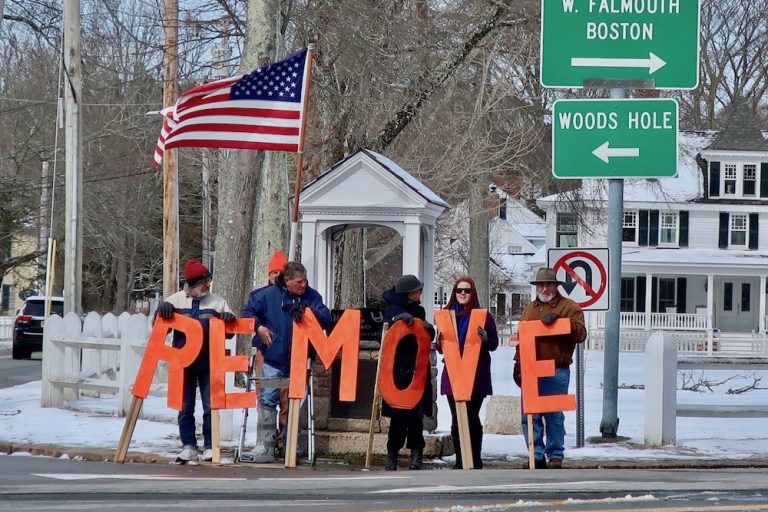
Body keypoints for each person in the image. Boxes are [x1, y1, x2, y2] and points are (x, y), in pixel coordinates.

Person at [241, 261, 331, 463]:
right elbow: (246, 313)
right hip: (273, 359)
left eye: (306, 281)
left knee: (295, 404)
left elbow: (326, 317)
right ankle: (265, 446)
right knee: (267, 400)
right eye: (299, 282)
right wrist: (258, 328)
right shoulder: (267, 295)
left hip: (299, 361)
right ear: (287, 280)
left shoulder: (312, 296)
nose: (303, 285)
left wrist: (307, 310)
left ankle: (290, 446)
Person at [156, 259, 236, 463]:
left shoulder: (217, 302)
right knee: (184, 406)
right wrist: (160, 311)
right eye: (203, 282)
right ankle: (189, 445)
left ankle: (210, 446)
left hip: (209, 361)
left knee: (211, 405)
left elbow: (230, 333)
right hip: (183, 362)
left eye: (208, 281)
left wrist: (228, 320)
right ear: (192, 283)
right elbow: (158, 330)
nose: (207, 285)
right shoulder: (174, 301)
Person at [515, 267, 586, 469]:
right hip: (530, 369)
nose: (544, 288)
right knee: (529, 414)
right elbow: (522, 339)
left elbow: (581, 334)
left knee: (553, 415)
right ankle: (536, 455)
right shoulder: (530, 309)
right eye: (541, 285)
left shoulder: (569, 307)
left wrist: (560, 320)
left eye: (548, 284)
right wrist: (517, 364)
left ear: (556, 286)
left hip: (556, 369)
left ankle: (555, 455)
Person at [437, 276, 498, 470]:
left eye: (467, 290)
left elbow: (494, 344)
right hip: (453, 373)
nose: (462, 293)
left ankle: (475, 458)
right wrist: (438, 341)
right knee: (456, 418)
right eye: (459, 290)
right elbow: (441, 348)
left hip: (476, 374)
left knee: (472, 416)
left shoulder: (483, 316)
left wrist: (486, 338)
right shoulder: (446, 315)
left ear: (473, 294)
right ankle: (461, 460)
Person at [381, 274, 435, 471]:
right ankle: (392, 454)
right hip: (399, 372)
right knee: (398, 416)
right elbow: (385, 334)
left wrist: (429, 330)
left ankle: (416, 453)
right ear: (407, 293)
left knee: (415, 418)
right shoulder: (391, 309)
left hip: (418, 369)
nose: (420, 292)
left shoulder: (419, 310)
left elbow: (425, 337)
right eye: (417, 290)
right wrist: (396, 321)